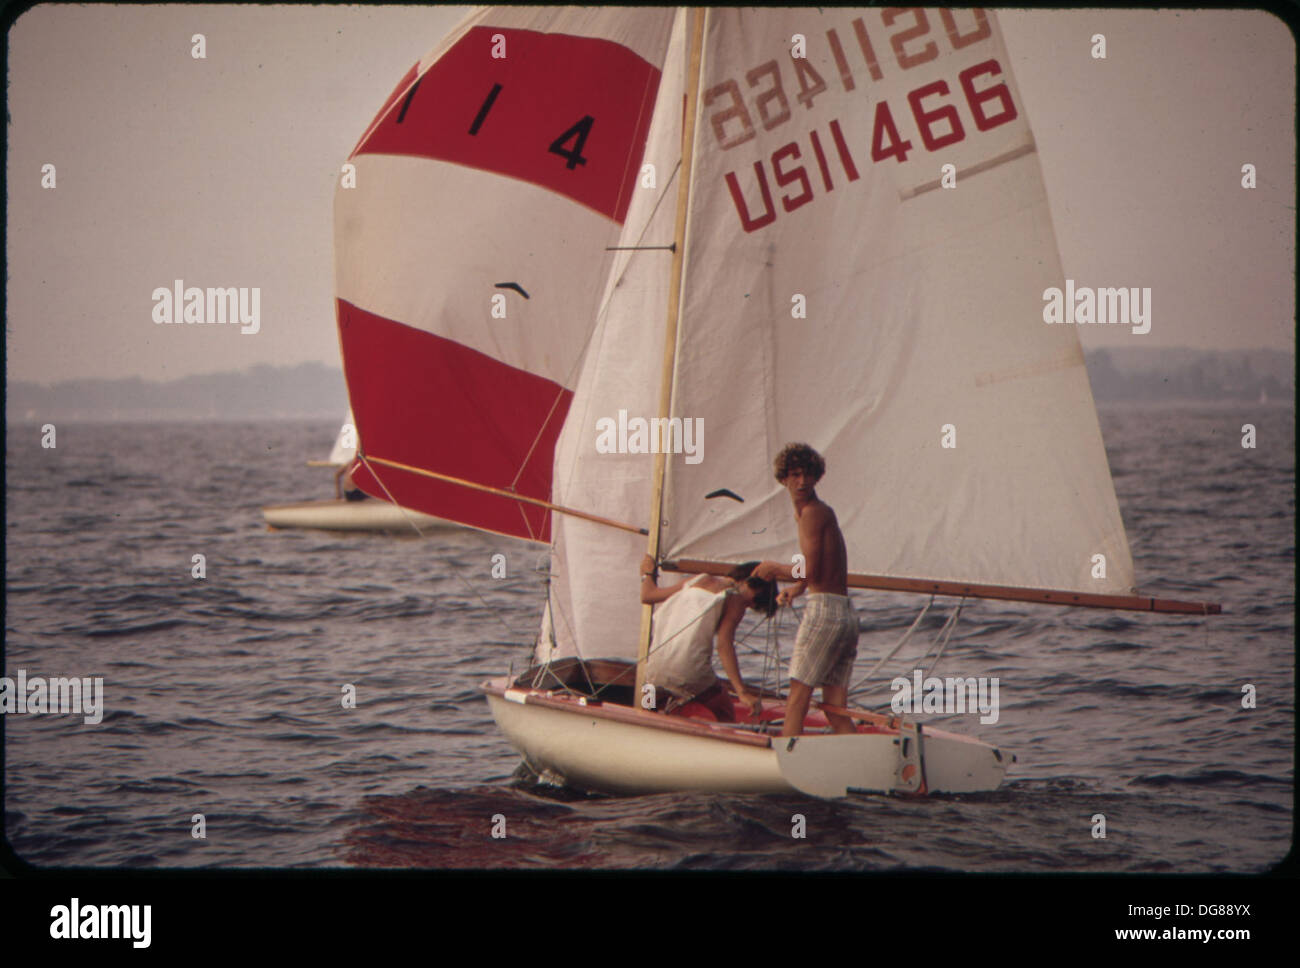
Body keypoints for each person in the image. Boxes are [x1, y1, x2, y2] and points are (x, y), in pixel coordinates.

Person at [753, 442, 858, 737]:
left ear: (817, 477)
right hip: (845, 613)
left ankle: (786, 757)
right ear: (783, 479)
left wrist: (774, 569)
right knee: (835, 707)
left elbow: (810, 570)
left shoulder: (812, 513)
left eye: (807, 475)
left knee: (797, 695)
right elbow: (820, 567)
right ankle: (858, 765)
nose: (801, 482)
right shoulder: (817, 512)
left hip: (825, 613)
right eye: (795, 475)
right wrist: (797, 588)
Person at [639, 554, 776, 722]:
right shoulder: (736, 597)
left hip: (652, 672)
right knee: (725, 710)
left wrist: (647, 574)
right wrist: (742, 692)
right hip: (690, 673)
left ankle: (647, 725)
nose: (752, 605)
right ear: (749, 582)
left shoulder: (697, 579)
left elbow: (648, 595)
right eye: (757, 599)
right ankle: (726, 745)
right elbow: (724, 645)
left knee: (649, 708)